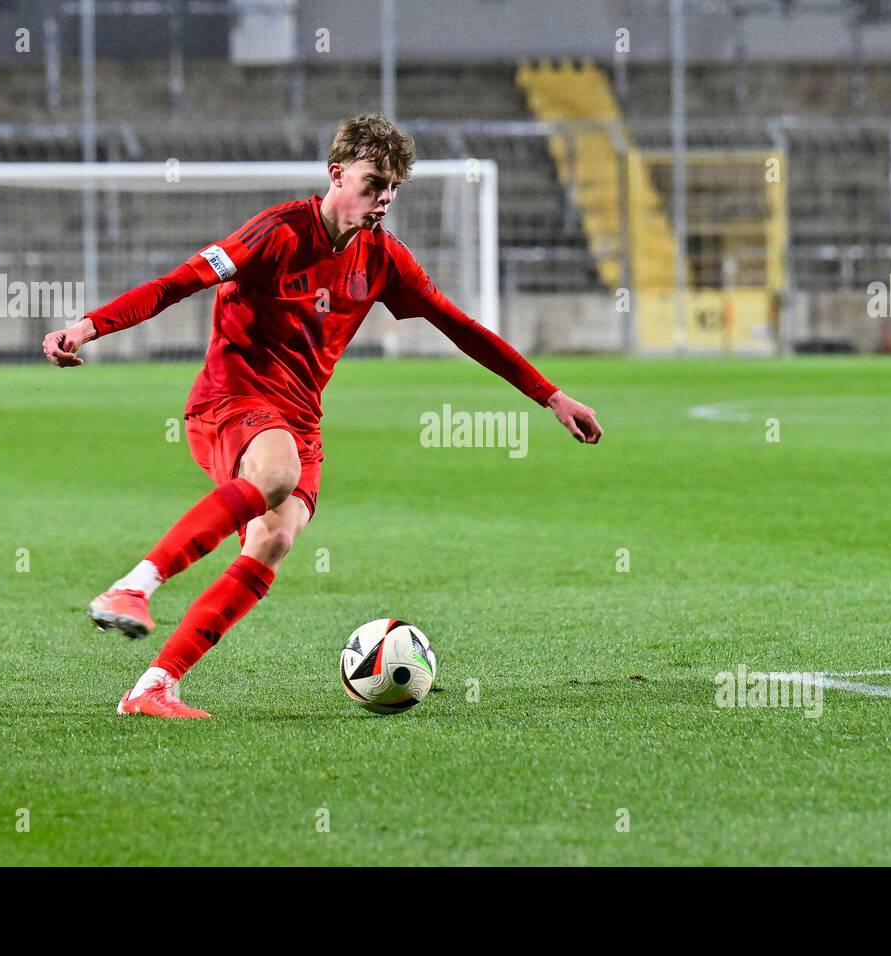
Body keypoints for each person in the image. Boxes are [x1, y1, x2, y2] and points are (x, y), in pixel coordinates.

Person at [41, 114, 603, 718]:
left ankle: (154, 685)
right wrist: (88, 326)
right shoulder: (275, 233)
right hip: (229, 400)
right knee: (276, 475)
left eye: (392, 188)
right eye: (372, 182)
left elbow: (461, 329)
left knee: (274, 539)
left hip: (300, 419)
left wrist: (550, 395)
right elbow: (176, 284)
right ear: (336, 175)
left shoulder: (384, 259)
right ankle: (132, 587)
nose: (384, 197)